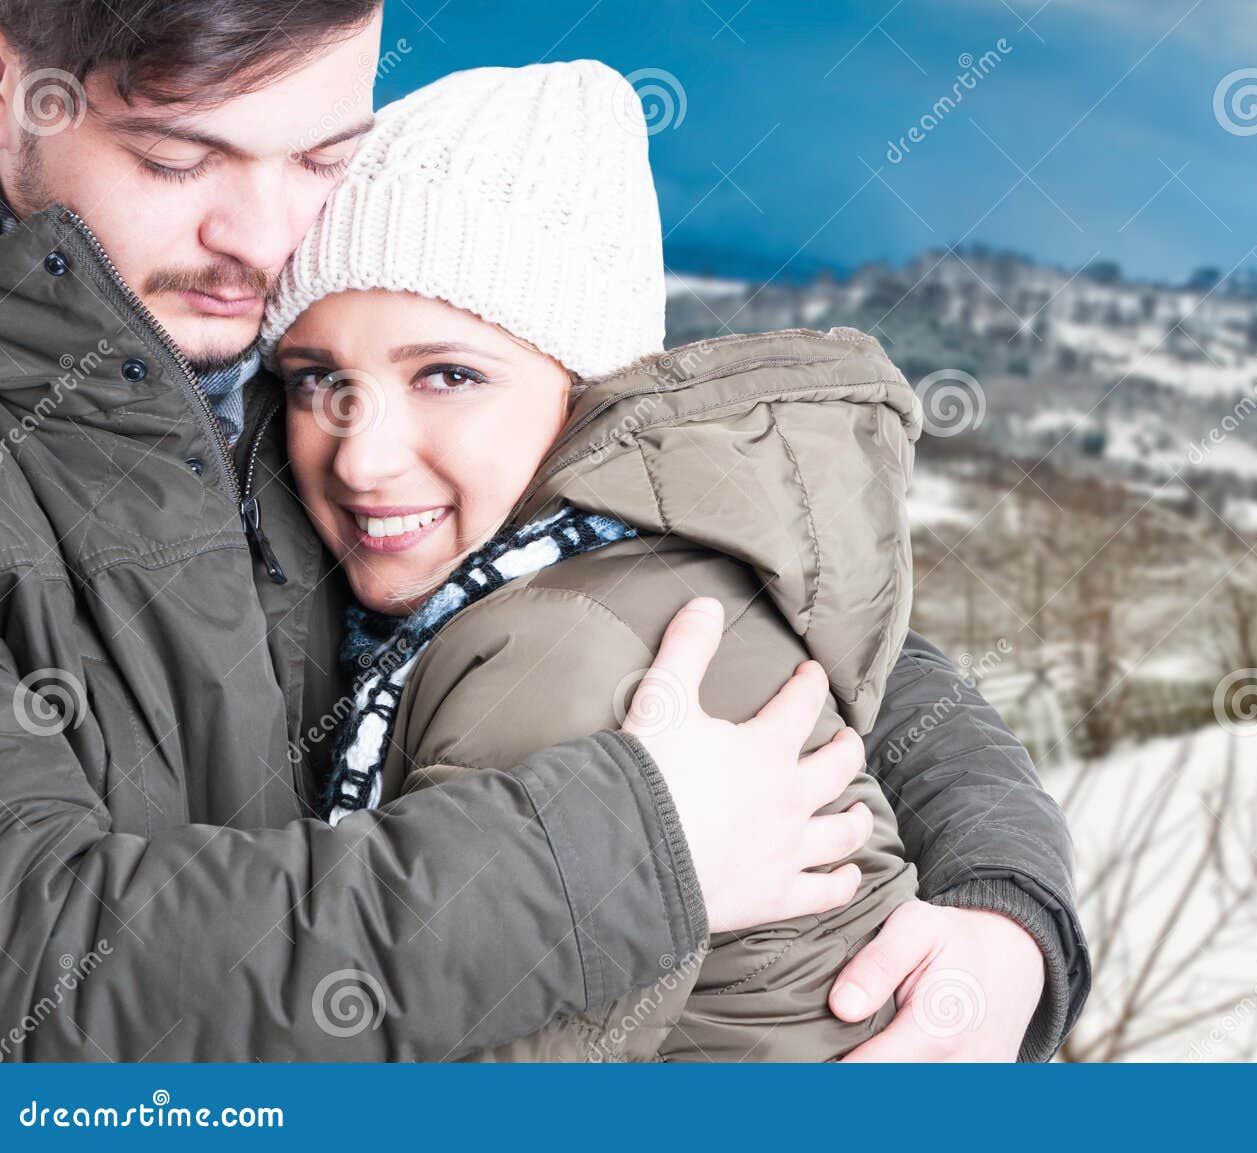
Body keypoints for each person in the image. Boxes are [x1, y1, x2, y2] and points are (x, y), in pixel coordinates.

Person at [0, 0, 1087, 1061]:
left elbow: (788, 609)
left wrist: (1003, 911)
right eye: (178, 158)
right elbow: (42, 970)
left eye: (325, 159)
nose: (268, 237)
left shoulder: (294, 351)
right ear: (14, 95)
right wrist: (636, 846)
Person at [264, 61, 932, 1060]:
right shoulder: (612, 564)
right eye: (319, 379)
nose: (360, 453)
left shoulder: (554, 650)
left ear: (588, 393)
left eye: (448, 375)